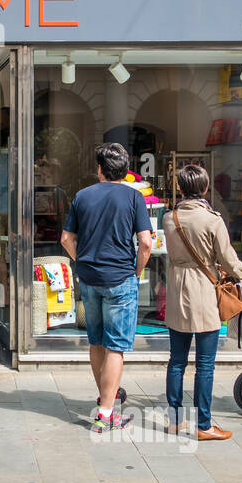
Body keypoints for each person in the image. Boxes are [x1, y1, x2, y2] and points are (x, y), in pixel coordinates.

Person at [163, 163, 242, 441]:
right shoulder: (212, 220)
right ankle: (204, 424)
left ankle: (174, 419)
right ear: (205, 189)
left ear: (180, 188)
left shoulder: (168, 218)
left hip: (176, 291)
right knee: (205, 364)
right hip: (203, 294)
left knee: (176, 361)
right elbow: (229, 262)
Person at [60, 143, 152, 433]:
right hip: (120, 279)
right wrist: (136, 272)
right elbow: (146, 243)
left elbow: (66, 238)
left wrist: (82, 261)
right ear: (125, 171)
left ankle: (105, 399)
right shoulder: (134, 197)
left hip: (89, 278)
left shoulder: (82, 196)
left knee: (96, 342)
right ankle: (105, 414)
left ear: (100, 169)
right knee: (116, 347)